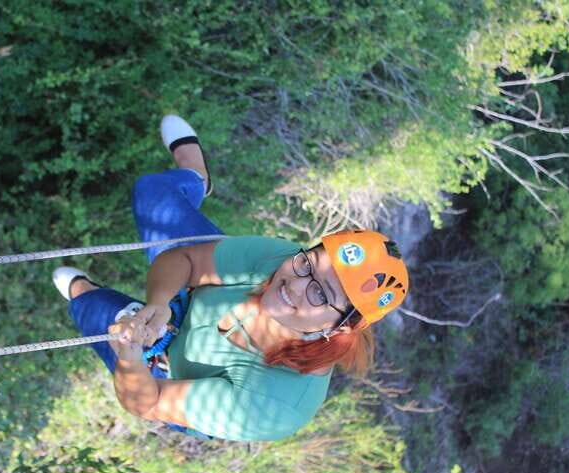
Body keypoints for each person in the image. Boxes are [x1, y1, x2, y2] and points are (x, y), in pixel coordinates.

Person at [53, 115, 410, 441]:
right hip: (189, 297)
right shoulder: (285, 262)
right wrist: (159, 304)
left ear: (342, 327)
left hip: (166, 375)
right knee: (154, 195)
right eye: (308, 263)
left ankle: (85, 291)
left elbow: (149, 401)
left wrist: (131, 355)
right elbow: (185, 260)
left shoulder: (273, 405)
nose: (295, 284)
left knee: (88, 304)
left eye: (320, 293)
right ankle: (196, 177)